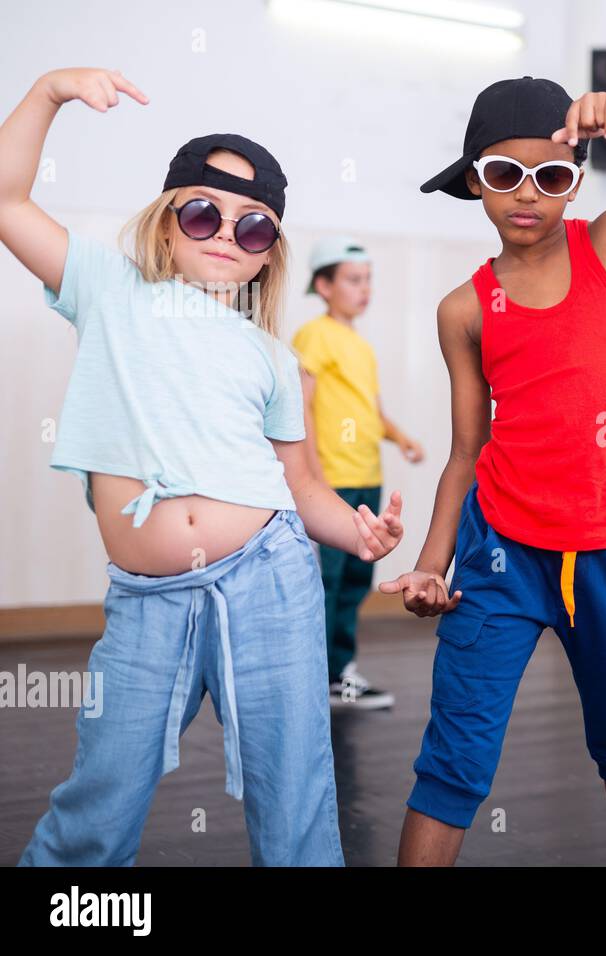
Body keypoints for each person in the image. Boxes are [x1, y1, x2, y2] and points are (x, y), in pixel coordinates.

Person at [2, 67, 404, 866]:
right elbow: (9, 202)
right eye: (203, 213)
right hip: (150, 598)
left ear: (267, 255)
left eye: (253, 228)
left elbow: (303, 484)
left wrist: (359, 534)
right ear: (165, 222)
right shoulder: (108, 287)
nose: (226, 234)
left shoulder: (271, 356)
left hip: (269, 575)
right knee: (104, 784)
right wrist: (48, 93)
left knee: (293, 782)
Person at [379, 77, 606, 866]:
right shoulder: (462, 310)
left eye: (552, 176)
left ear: (575, 183)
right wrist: (432, 564)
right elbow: (467, 450)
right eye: (505, 175)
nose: (527, 195)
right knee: (454, 756)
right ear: (476, 181)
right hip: (499, 554)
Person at [296, 237, 425, 709]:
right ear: (324, 285)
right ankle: (316, 678)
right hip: (334, 479)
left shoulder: (360, 346)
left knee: (355, 578)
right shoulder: (314, 335)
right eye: (353, 279)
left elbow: (372, 411)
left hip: (367, 476)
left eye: (368, 279)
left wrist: (401, 437)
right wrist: (311, 473)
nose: (364, 288)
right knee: (327, 581)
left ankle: (338, 672)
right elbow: (302, 405)